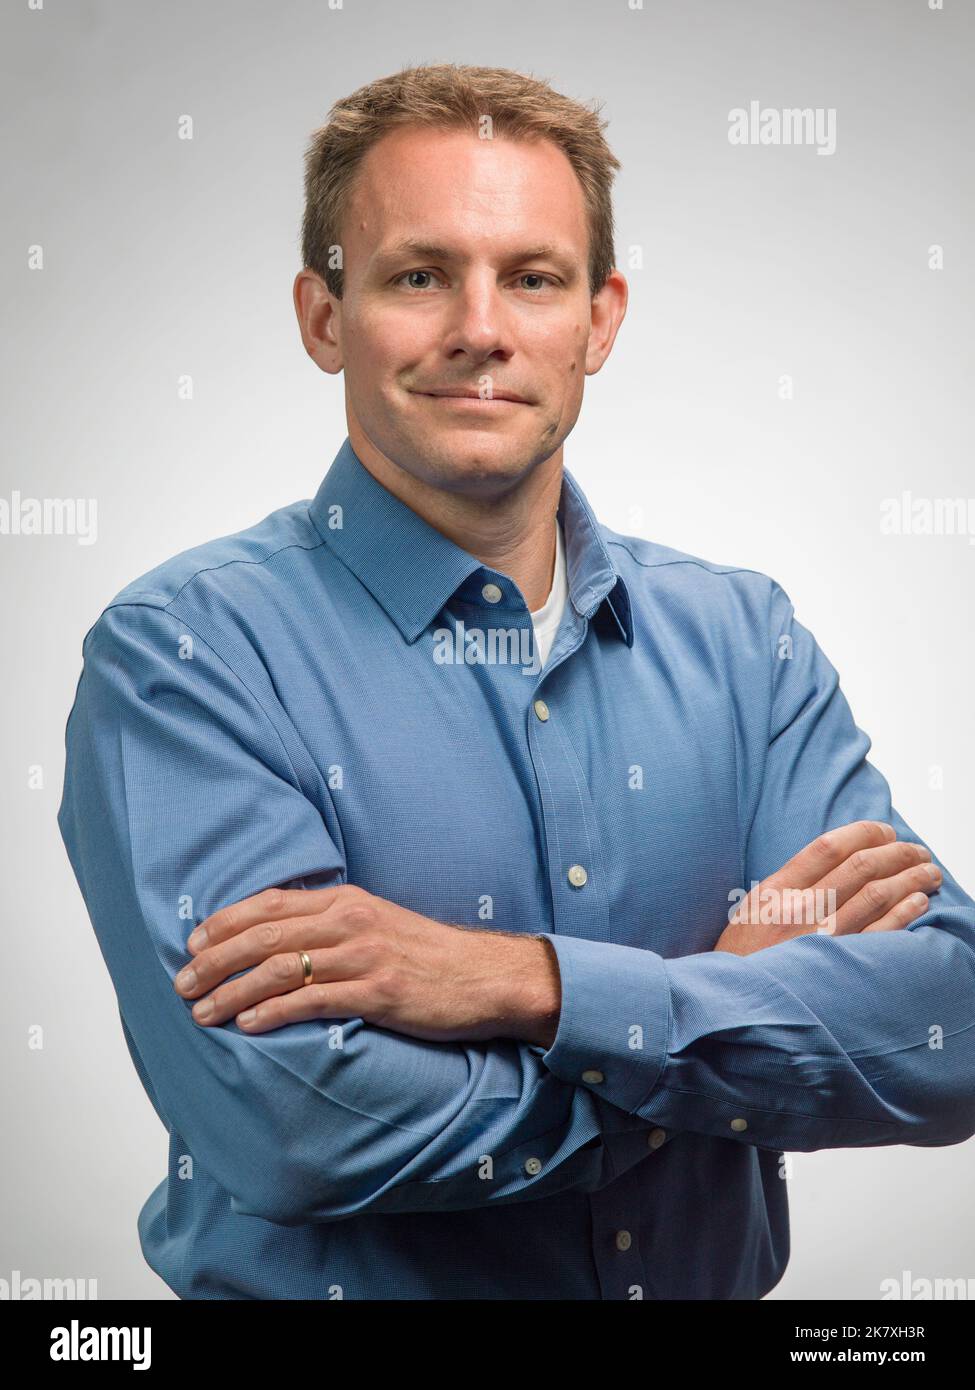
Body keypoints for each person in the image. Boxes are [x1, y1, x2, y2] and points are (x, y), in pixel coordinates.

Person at [57, 63, 975, 1301]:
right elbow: (295, 1126)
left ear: (600, 319)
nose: (480, 328)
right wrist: (723, 1017)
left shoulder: (743, 642)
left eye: (533, 278)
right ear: (325, 316)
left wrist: (517, 983)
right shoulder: (187, 654)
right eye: (420, 274)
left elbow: (945, 1029)